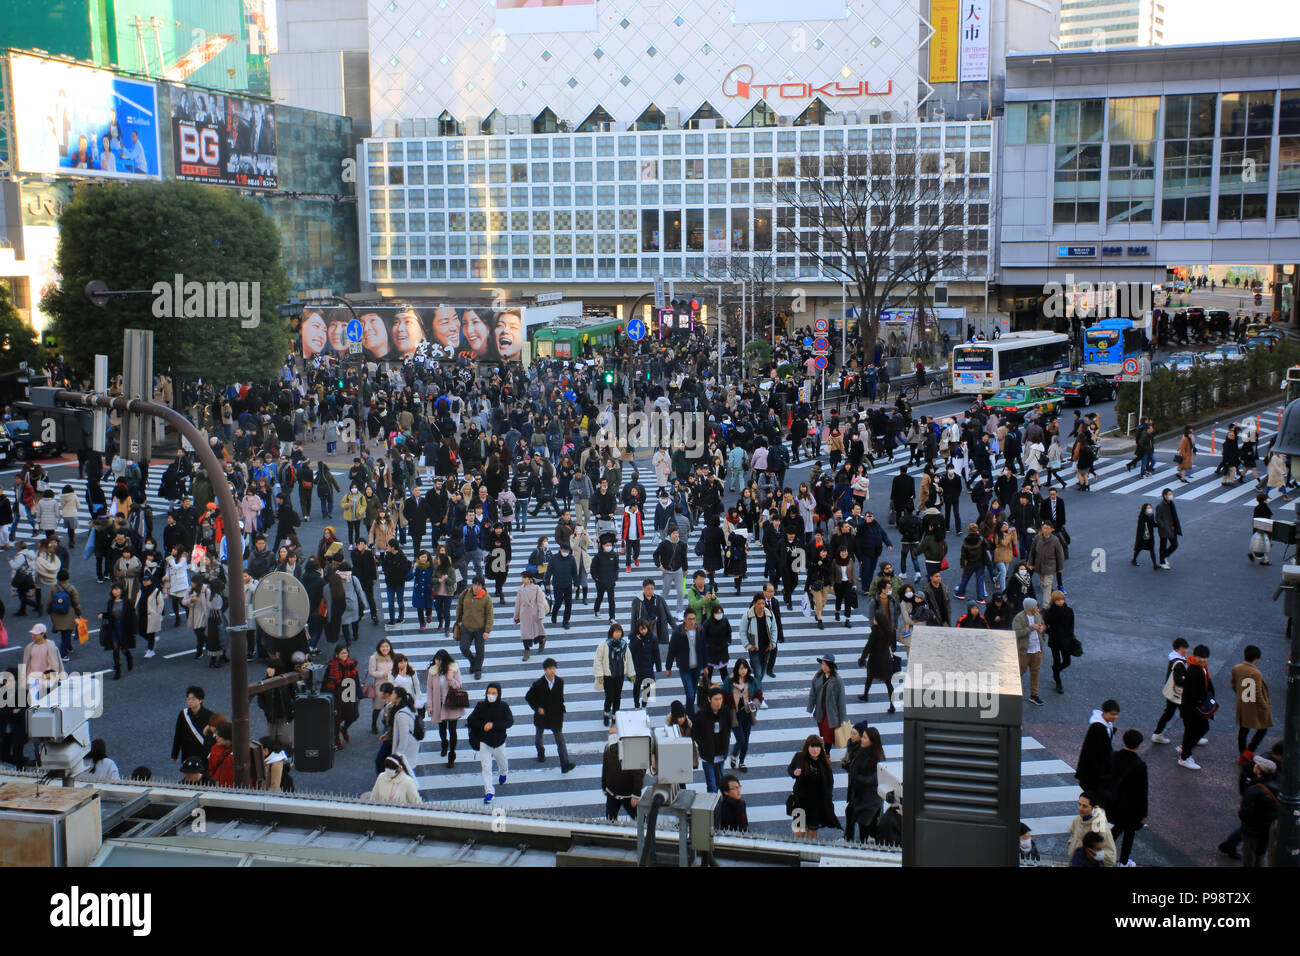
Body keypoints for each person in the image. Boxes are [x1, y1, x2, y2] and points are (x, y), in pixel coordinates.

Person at [525, 657, 575, 772]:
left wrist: (562, 708)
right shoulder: (538, 684)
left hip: (555, 716)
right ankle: (540, 752)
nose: (552, 671)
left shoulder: (560, 682)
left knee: (560, 740)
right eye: (550, 669)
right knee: (539, 736)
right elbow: (528, 697)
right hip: (542, 716)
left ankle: (565, 764)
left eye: (554, 668)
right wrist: (537, 708)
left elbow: (560, 698)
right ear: (545, 670)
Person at [467, 681, 513, 803]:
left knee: (502, 762)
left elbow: (509, 722)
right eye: (489, 693)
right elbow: (471, 720)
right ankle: (489, 792)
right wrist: (483, 725)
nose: (491, 695)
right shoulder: (480, 706)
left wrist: (493, 725)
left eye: (494, 693)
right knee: (486, 768)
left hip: (499, 742)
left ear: (499, 694)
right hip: (484, 742)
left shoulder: (504, 707)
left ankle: (503, 772)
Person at [787, 734, 840, 840]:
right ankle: (799, 852)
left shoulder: (824, 763)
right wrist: (794, 773)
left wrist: (828, 801)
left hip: (816, 805)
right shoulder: (799, 757)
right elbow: (790, 768)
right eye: (812, 746)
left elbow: (830, 783)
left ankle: (808, 854)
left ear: (821, 748)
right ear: (807, 747)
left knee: (812, 834)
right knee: (799, 833)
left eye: (817, 747)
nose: (815, 750)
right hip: (800, 803)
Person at [1109, 729, 1148, 866]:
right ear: (1139, 745)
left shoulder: (1114, 756)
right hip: (1131, 807)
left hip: (1114, 801)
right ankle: (1124, 861)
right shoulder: (1139, 765)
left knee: (1117, 828)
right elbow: (1142, 792)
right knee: (1129, 834)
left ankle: (1103, 852)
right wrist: (1143, 814)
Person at [844, 723, 885, 843]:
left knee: (864, 826)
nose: (862, 739)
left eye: (865, 737)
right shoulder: (861, 751)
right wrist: (848, 767)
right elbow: (855, 768)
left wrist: (858, 779)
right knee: (850, 816)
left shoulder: (877, 757)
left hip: (868, 800)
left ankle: (863, 844)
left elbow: (875, 779)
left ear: (872, 741)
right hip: (857, 796)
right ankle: (848, 839)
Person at [425, 648, 466, 768]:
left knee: (452, 731)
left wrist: (450, 679)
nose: (437, 662)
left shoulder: (454, 669)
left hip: (452, 704)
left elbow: (459, 686)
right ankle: (444, 744)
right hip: (439, 704)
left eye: (439, 660)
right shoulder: (432, 671)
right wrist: (430, 705)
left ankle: (452, 754)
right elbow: (429, 688)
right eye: (436, 659)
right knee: (442, 728)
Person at [1238, 753, 1281, 866]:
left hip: (1253, 830)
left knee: (1249, 856)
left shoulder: (1254, 789)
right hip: (1267, 829)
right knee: (1260, 855)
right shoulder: (1276, 786)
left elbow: (1244, 814)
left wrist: (1240, 811)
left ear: (1258, 770)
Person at [1231, 645, 1272, 759]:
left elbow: (1233, 685)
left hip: (1242, 703)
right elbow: (1258, 693)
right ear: (1256, 659)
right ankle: (1249, 751)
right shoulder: (1256, 673)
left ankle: (1242, 753)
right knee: (1263, 728)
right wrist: (1264, 706)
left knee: (1243, 729)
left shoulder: (1236, 668)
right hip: (1254, 706)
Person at [1177, 644, 1214, 770]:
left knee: (1192, 731)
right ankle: (1184, 756)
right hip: (1192, 709)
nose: (1203, 660)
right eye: (1200, 657)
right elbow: (1192, 692)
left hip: (1192, 708)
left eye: (1205, 658)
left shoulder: (1201, 667)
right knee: (1200, 728)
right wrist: (1203, 701)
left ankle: (1185, 749)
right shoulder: (1194, 670)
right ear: (1196, 656)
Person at [1074, 699, 1119, 804]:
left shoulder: (1103, 726)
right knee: (1094, 800)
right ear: (1104, 712)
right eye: (1112, 714)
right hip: (1094, 773)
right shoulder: (1099, 729)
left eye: (1116, 714)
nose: (1115, 717)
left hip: (1093, 772)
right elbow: (1102, 752)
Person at [665, 609, 706, 718]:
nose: (692, 622)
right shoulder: (678, 632)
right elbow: (672, 650)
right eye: (689, 619)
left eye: (693, 619)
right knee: (690, 693)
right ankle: (691, 719)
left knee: (692, 693)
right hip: (685, 668)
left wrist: (705, 665)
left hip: (697, 667)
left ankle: (688, 716)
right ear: (684, 619)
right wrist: (668, 667)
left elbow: (703, 649)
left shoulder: (700, 630)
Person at [691, 685, 732, 793]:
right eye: (716, 699)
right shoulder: (701, 715)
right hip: (707, 755)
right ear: (709, 699)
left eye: (720, 699)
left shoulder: (725, 712)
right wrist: (702, 743)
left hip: (721, 753)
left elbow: (728, 728)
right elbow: (694, 733)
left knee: (719, 783)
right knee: (711, 786)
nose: (719, 702)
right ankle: (713, 807)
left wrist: (726, 740)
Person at [601, 723, 645, 821]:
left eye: (613, 734)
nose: (611, 736)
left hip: (629, 795)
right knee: (610, 820)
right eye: (610, 733)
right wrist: (604, 786)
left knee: (641, 820)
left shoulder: (631, 751)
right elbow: (605, 768)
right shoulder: (608, 748)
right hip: (612, 793)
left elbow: (638, 775)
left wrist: (636, 795)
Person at [322, 643, 360, 749]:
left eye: (346, 652)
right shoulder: (332, 666)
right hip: (336, 695)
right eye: (342, 653)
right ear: (337, 654)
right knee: (337, 718)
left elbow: (356, 680)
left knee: (352, 716)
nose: (344, 655)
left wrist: (359, 694)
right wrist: (324, 696)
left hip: (349, 693)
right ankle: (337, 738)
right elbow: (325, 682)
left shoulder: (351, 664)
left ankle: (344, 729)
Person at [455, 575, 493, 679]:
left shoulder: (486, 598)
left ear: (482, 586)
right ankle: (473, 661)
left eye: (479, 585)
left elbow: (490, 614)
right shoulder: (465, 593)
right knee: (463, 647)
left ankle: (478, 669)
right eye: (475, 584)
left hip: (480, 629)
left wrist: (487, 630)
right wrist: (459, 621)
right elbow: (459, 607)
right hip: (466, 627)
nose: (476, 587)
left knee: (480, 650)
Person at [1065, 791, 1116, 866]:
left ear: (1094, 808)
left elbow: (1111, 858)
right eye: (1079, 804)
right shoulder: (1077, 820)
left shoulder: (1101, 827)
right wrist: (1071, 846)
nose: (1080, 808)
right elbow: (1072, 837)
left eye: (1085, 806)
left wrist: (1091, 854)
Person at [807, 653, 847, 749]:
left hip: (831, 711)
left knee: (827, 731)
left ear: (831, 666)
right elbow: (813, 692)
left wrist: (843, 718)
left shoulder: (838, 680)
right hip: (820, 708)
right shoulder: (818, 676)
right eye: (822, 664)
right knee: (823, 729)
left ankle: (827, 753)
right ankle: (828, 743)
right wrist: (810, 707)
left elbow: (841, 700)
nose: (823, 667)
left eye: (826, 664)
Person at [1012, 597, 1047, 706]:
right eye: (1036, 606)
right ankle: (1011, 692)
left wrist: (1042, 628)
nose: (1037, 607)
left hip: (1037, 650)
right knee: (1019, 673)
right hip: (1024, 652)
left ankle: (1034, 695)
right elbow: (1016, 633)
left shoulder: (1037, 615)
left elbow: (1043, 625)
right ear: (1030, 607)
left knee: (1035, 673)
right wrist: (1031, 628)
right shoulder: (1019, 618)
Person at [1043, 590, 1075, 695]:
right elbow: (1045, 626)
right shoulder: (1049, 612)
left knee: (1067, 662)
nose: (1061, 602)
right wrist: (1049, 631)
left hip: (1065, 640)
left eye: (1062, 599)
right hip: (1055, 641)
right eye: (1058, 600)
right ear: (1054, 600)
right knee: (1057, 662)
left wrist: (1071, 637)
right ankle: (1058, 682)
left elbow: (1071, 626)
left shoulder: (1069, 611)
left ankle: (1055, 671)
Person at [171, 685, 213, 764]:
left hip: (203, 753)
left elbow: (213, 736)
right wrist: (174, 755)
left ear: (200, 700)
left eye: (193, 699)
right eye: (188, 699)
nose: (190, 701)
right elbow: (178, 735)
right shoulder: (183, 714)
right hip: (188, 752)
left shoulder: (209, 715)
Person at [513, 567, 548, 661]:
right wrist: (516, 616)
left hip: (534, 614)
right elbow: (518, 603)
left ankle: (542, 641)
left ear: (529, 579)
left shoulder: (536, 589)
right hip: (524, 615)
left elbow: (540, 602)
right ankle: (527, 651)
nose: (522, 580)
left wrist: (541, 614)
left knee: (537, 634)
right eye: (522, 578)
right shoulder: (520, 590)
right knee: (525, 634)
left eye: (524, 578)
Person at [367, 638, 394, 734]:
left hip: (392, 685)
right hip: (379, 686)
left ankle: (388, 725)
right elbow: (371, 672)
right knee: (378, 707)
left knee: (390, 706)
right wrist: (383, 674)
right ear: (379, 647)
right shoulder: (373, 657)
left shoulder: (393, 656)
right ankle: (374, 724)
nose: (385, 648)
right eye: (383, 646)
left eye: (387, 646)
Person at [1154, 488, 1182, 570]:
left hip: (1172, 528)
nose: (1171, 496)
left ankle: (1164, 556)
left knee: (1174, 544)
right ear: (1164, 496)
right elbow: (1157, 518)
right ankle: (1162, 562)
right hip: (1164, 529)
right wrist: (1164, 525)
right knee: (1163, 545)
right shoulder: (1160, 506)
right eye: (1169, 494)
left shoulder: (1171, 504)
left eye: (1171, 494)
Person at [1131, 503, 1158, 568]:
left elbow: (1153, 524)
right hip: (1142, 537)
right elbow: (1141, 528)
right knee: (1138, 549)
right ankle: (1134, 560)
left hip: (1150, 537)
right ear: (1144, 509)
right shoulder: (1141, 517)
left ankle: (1154, 565)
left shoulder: (1151, 515)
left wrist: (1159, 524)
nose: (1150, 509)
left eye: (1150, 508)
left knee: (1152, 550)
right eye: (1148, 508)